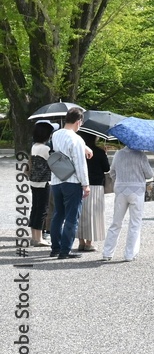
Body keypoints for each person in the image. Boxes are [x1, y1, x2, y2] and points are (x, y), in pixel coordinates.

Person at [49, 108, 90, 260]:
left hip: (56, 179)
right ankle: (65, 250)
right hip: (72, 181)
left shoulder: (55, 135)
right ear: (78, 121)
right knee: (72, 217)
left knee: (58, 214)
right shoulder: (77, 139)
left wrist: (85, 146)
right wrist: (85, 184)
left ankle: (55, 247)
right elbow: (80, 163)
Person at [102, 146, 154, 262]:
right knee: (135, 223)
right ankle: (129, 254)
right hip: (137, 191)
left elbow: (112, 172)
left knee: (116, 222)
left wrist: (118, 181)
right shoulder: (141, 155)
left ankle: (107, 252)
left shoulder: (118, 153)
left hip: (120, 190)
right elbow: (149, 174)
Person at [76, 132, 110, 252]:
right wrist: (104, 154)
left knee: (80, 213)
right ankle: (89, 243)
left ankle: (80, 241)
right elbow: (106, 168)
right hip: (96, 185)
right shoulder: (99, 152)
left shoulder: (78, 150)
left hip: (79, 185)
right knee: (93, 214)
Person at [28, 121, 56, 248]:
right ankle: (39, 238)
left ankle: (34, 236)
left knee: (35, 208)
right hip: (44, 182)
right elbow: (54, 163)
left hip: (34, 181)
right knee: (42, 210)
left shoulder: (34, 146)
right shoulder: (46, 149)